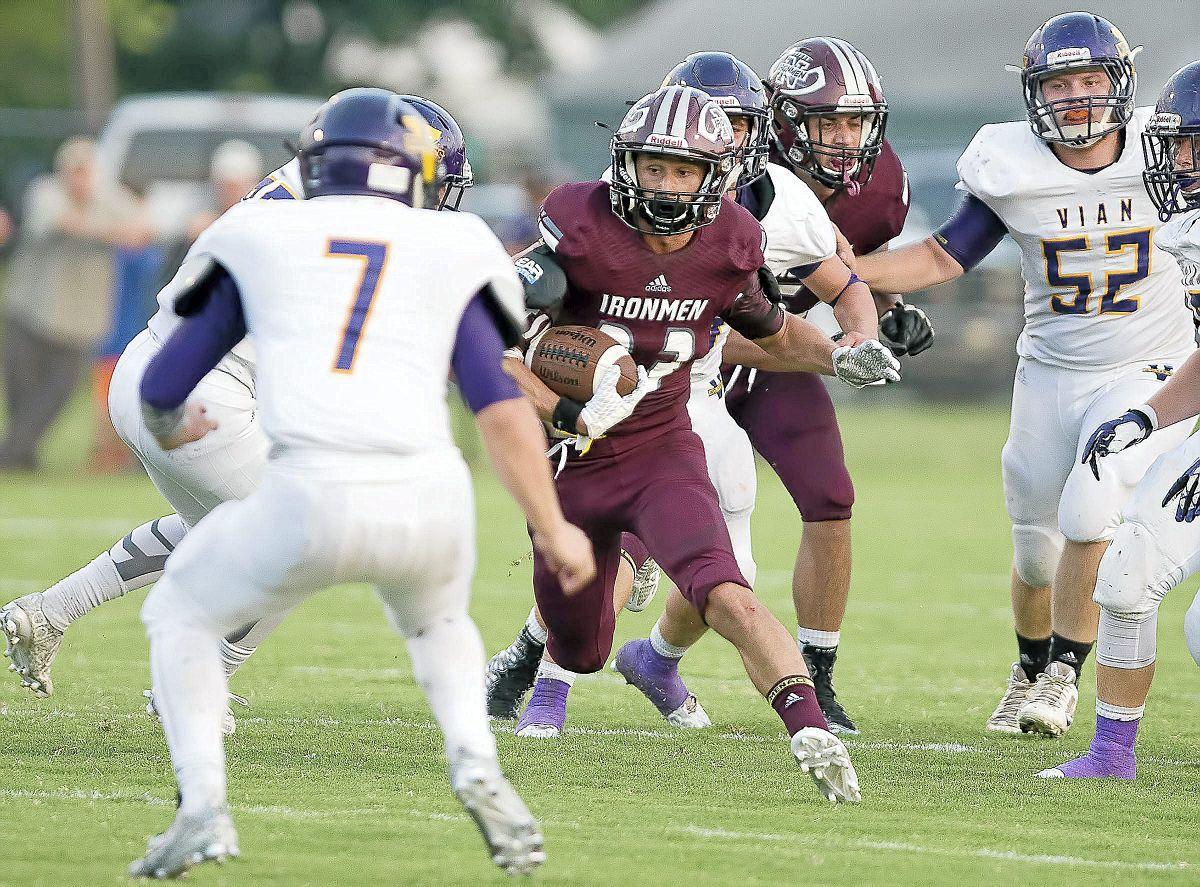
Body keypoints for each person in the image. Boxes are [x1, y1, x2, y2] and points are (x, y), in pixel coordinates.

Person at [123, 88, 591, 879]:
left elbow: (163, 380)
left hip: (308, 487)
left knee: (180, 615)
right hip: (429, 493)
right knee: (439, 624)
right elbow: (498, 401)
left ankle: (202, 805)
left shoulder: (262, 234)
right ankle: (476, 763)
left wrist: (173, 427)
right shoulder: (456, 243)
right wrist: (552, 525)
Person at [0, 95, 475, 728]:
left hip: (158, 371)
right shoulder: (357, 225)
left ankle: (49, 613)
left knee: (223, 527)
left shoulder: (300, 194)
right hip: (205, 392)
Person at [487, 49, 918, 736]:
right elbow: (501, 322)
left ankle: (664, 663)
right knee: (602, 577)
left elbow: (785, 320)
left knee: (731, 574)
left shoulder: (756, 221)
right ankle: (547, 680)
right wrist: (560, 395)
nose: (667, 180)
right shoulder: (593, 213)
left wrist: (847, 351)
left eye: (743, 126)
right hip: (603, 416)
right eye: (655, 164)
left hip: (693, 395)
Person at [856, 13, 1195, 737]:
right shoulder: (1010, 164)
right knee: (1037, 552)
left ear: (1120, 84)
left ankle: (1067, 673)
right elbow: (944, 257)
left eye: (1089, 81)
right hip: (1050, 371)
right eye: (1060, 84)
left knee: (1092, 505)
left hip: (1148, 367)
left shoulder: (1166, 144)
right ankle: (1031, 664)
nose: (1075, 97)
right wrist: (838, 270)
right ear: (1034, 93)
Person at [1040, 60, 1200, 779]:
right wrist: (1147, 413)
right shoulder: (1191, 231)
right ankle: (1110, 756)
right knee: (1128, 573)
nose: (1182, 162)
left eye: (1197, 145)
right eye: (1179, 145)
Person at [0, 137, 151, 469]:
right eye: (73, 172)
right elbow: (64, 222)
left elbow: (143, 231)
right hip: (30, 311)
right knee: (21, 394)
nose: (78, 180)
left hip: (81, 320)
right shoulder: (45, 192)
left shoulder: (110, 198)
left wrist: (116, 229)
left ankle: (10, 456)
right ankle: (21, 456)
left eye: (84, 172)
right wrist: (113, 231)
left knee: (55, 396)